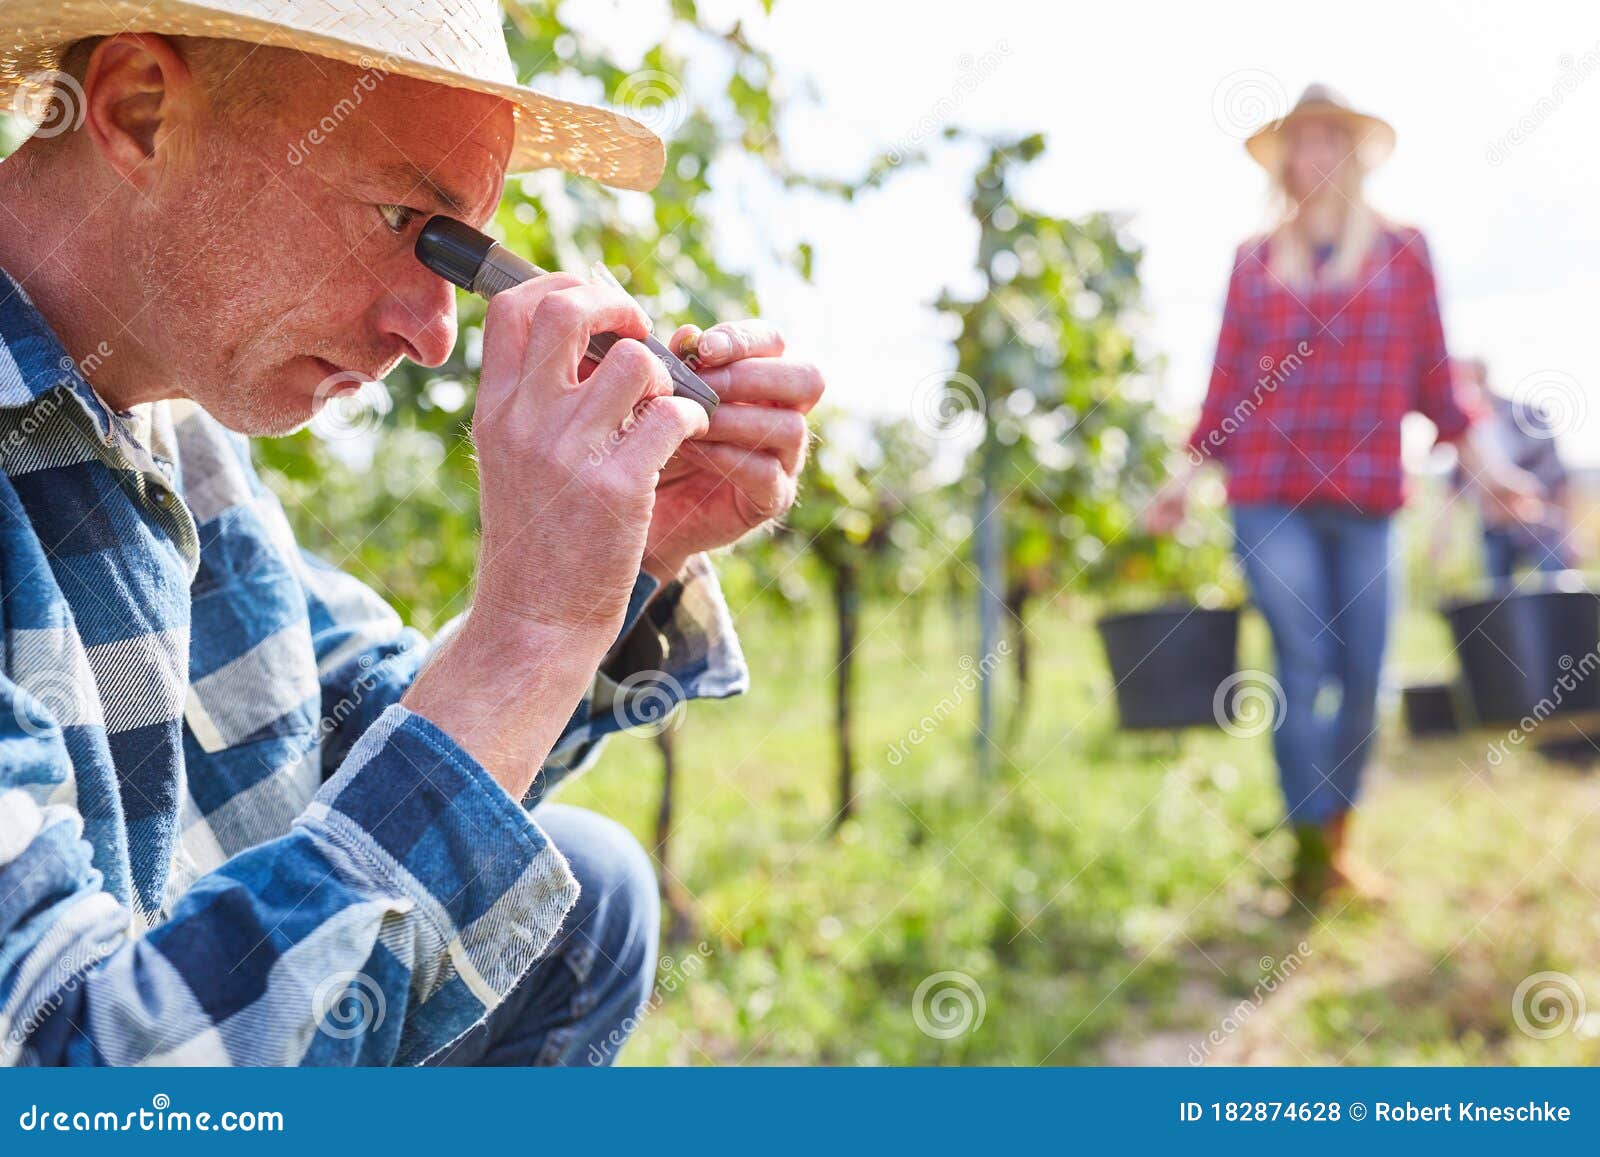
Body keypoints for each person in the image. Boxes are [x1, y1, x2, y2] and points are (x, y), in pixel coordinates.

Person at [0, 2, 822, 1066]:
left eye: (458, 258)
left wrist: (636, 549)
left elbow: (348, 746)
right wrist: (528, 629)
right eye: (400, 220)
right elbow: (82, 1075)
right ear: (139, 109)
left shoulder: (166, 423)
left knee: (589, 895)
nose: (434, 335)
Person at [1145, 85, 1538, 904]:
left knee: (1366, 675)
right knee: (1305, 662)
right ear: (1285, 159)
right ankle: (1309, 850)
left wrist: (1491, 470)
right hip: (1270, 496)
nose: (1316, 155)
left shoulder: (1404, 251)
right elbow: (1223, 391)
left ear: (1354, 155)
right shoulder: (1255, 260)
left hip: (1367, 497)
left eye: (1331, 140)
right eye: (1302, 141)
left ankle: (1336, 838)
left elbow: (1438, 377)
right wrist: (1181, 480)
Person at [1449, 357, 1574, 581]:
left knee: (1557, 591)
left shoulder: (1526, 416)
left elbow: (1558, 478)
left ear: (1479, 380)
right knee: (1499, 598)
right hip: (1495, 529)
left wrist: (1568, 532)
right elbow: (1454, 487)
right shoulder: (1463, 431)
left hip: (1541, 525)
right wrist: (1440, 536)